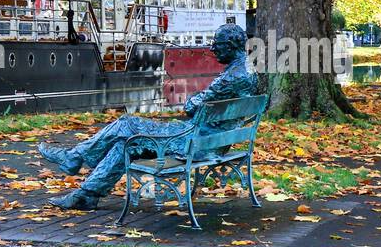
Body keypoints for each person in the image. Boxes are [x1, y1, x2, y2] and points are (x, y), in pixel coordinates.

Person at [38, 23, 258, 209]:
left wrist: (193, 99)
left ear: (230, 46)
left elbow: (191, 107)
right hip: (213, 140)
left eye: (217, 45)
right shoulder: (248, 71)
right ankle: (86, 195)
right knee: (125, 145)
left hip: (194, 141)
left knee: (126, 123)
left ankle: (74, 158)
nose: (212, 49)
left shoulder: (232, 78)